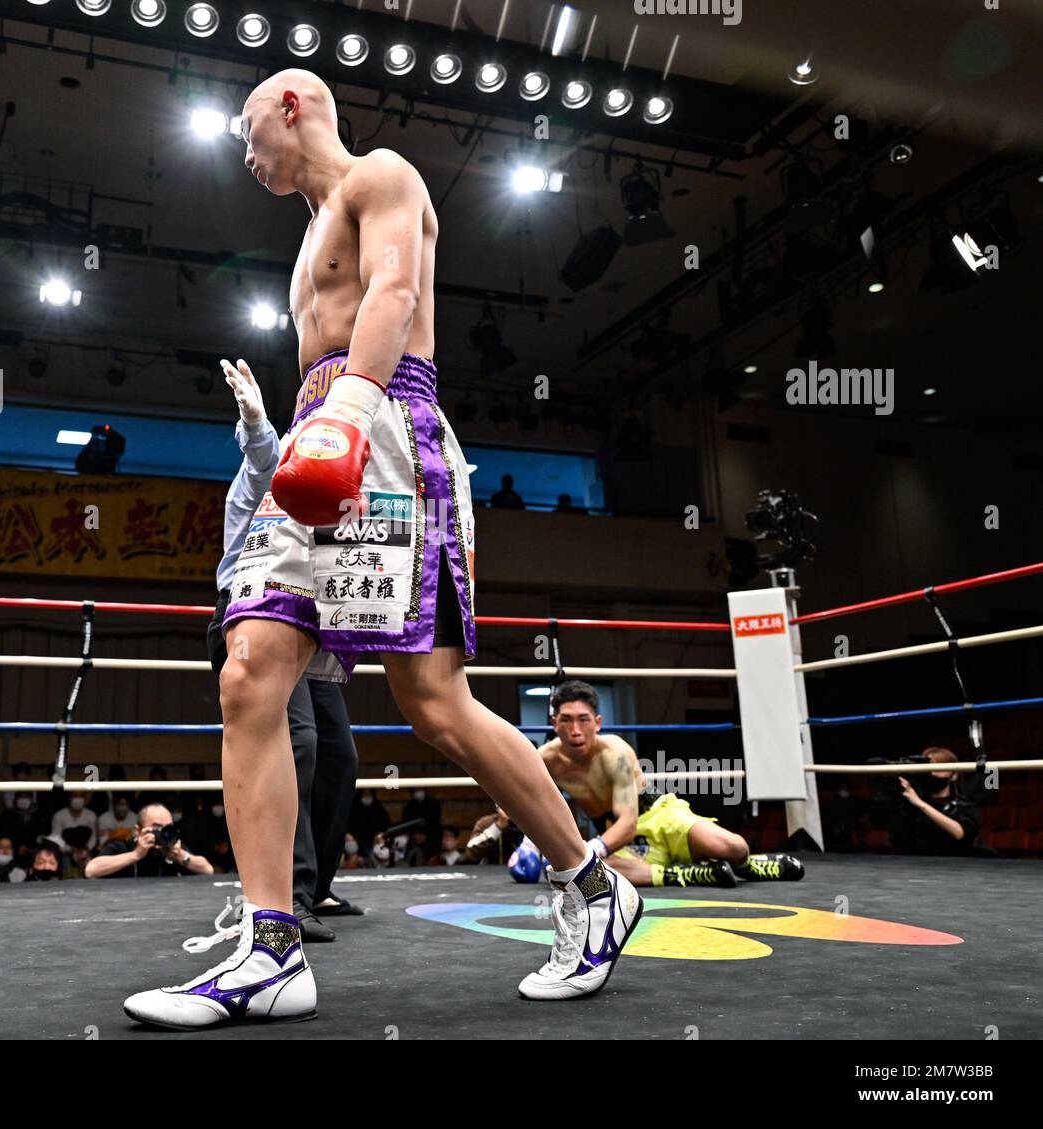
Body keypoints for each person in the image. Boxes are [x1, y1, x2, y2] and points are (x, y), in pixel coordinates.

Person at [123, 70, 641, 1031]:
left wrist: (350, 417)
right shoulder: (302, 245)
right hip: (320, 434)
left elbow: (395, 292)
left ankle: (594, 883)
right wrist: (292, 434)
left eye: (248, 135)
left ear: (290, 107)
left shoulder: (383, 176)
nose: (245, 159)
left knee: (434, 703)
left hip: (388, 427)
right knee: (249, 670)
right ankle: (272, 949)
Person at [205, 352, 361, 941]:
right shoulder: (274, 475)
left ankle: (313, 886)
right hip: (251, 616)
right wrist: (255, 420)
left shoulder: (337, 480)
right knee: (295, 740)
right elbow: (265, 458)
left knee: (339, 755)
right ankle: (282, 902)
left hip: (306, 620)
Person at [535, 680, 805, 888]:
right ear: (554, 724)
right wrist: (523, 843)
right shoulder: (544, 760)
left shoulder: (615, 753)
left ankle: (749, 867)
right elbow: (520, 802)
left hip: (658, 815)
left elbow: (628, 824)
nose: (575, 730)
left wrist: (590, 850)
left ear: (597, 723)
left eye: (583, 720)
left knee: (733, 847)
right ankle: (689, 874)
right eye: (566, 720)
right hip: (620, 842)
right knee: (591, 876)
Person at [883, 747, 982, 856]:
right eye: (929, 769)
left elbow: (959, 833)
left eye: (939, 768)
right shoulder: (908, 802)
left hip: (955, 865)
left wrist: (919, 803)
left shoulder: (965, 806)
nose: (933, 773)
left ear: (953, 775)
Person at [86, 804, 213, 879]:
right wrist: (136, 855)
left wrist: (180, 856)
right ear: (138, 830)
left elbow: (208, 870)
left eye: (167, 827)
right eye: (156, 827)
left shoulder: (171, 848)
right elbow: (91, 870)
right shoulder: (121, 846)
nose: (162, 832)